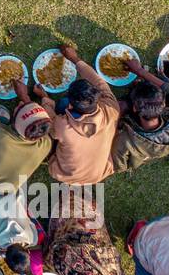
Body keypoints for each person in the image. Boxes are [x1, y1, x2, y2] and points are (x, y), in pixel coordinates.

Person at [41, 45, 118, 185]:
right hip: (98, 175)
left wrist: (45, 98)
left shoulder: (62, 126)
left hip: (65, 175)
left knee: (53, 118)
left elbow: (50, 120)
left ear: (71, 106)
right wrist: (74, 59)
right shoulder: (111, 108)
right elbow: (98, 81)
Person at [43, 188, 122, 275]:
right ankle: (67, 193)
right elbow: (53, 251)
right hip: (71, 218)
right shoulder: (67, 270)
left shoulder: (114, 273)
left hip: (91, 218)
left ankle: (80, 191)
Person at [110, 58, 169, 173]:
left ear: (134, 108)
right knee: (164, 81)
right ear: (163, 103)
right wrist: (139, 70)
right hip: (162, 147)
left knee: (119, 106)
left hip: (145, 147)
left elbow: (120, 167)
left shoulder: (125, 140)